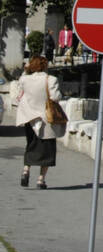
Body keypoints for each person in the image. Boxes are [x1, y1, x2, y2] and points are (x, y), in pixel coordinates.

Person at [15, 56, 66, 189]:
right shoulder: (50, 80)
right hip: (46, 119)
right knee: (48, 150)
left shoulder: (24, 79)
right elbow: (55, 97)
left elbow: (18, 97)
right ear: (45, 66)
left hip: (29, 118)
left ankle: (26, 170)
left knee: (31, 145)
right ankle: (40, 180)